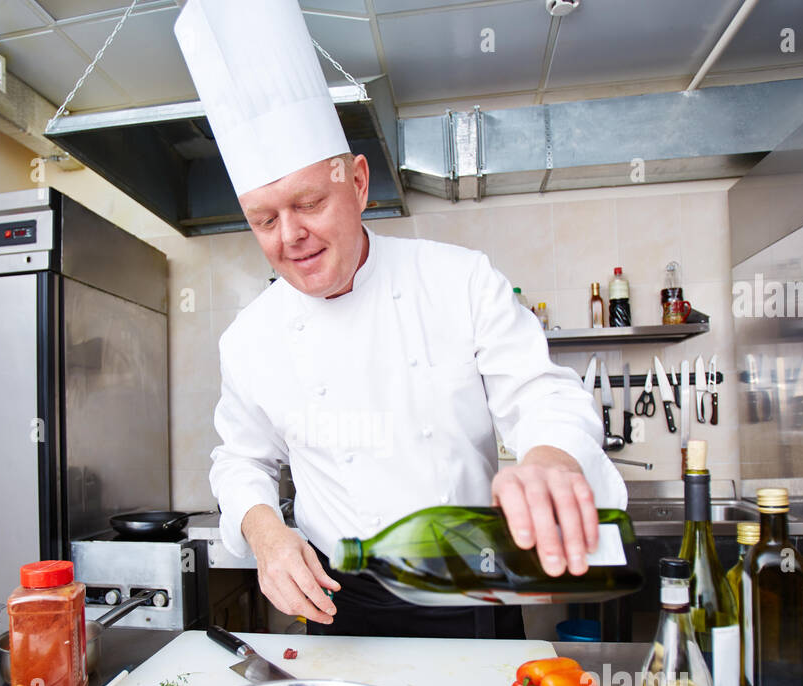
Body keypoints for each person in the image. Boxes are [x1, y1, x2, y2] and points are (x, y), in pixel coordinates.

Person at [175, 0, 627, 639]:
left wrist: (552, 457)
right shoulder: (249, 338)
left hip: (474, 592)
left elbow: (543, 393)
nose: (292, 236)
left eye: (308, 203)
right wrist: (264, 530)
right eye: (264, 219)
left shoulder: (458, 280)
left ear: (358, 184)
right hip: (340, 606)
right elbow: (239, 460)